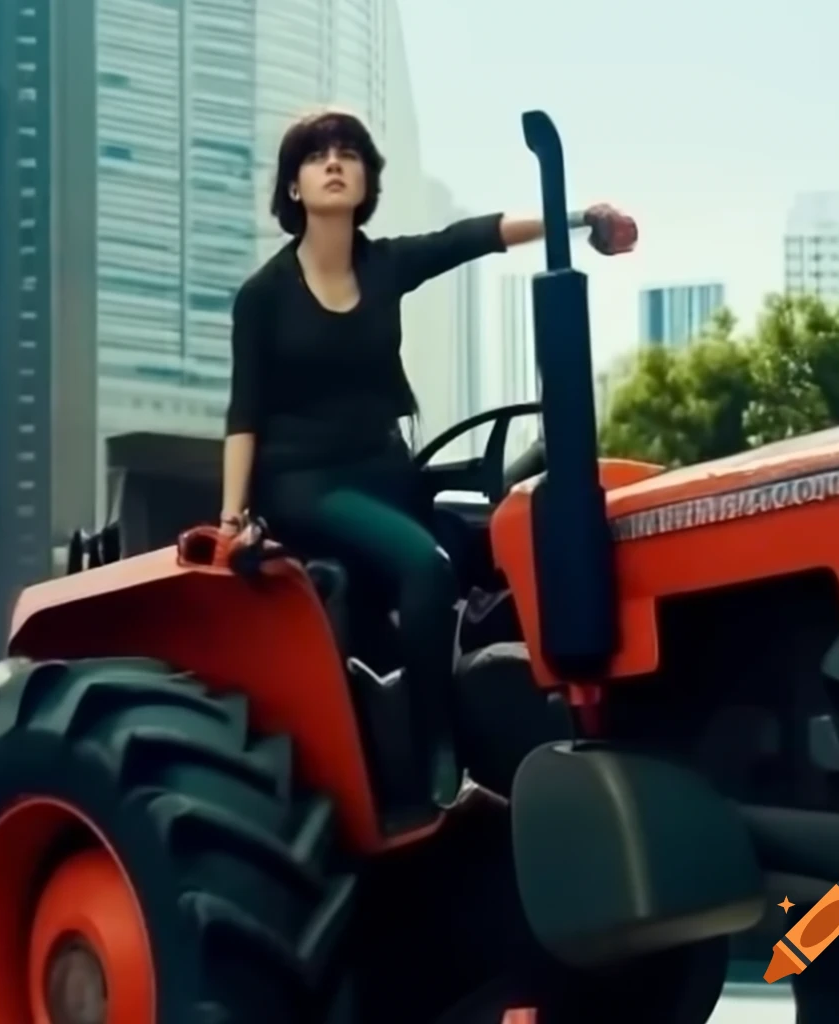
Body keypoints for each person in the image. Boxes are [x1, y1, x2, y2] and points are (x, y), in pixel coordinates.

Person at [220, 108, 633, 803]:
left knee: (495, 542)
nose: (333, 162)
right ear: (293, 187)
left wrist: (580, 219)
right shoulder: (262, 297)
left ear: (366, 180)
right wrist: (231, 517)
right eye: (316, 154)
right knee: (424, 564)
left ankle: (542, 729)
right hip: (304, 483)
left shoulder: (385, 265)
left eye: (348, 152)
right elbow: (244, 413)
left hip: (384, 471)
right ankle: (435, 758)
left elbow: (472, 237)